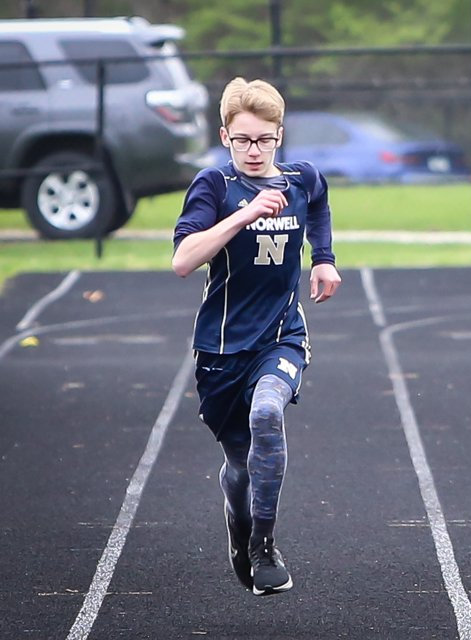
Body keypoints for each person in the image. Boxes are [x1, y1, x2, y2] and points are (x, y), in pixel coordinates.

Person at [172, 77, 341, 595]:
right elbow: (183, 260)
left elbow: (318, 205)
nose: (254, 150)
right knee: (240, 466)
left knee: (268, 412)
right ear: (225, 137)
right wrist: (245, 214)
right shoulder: (214, 186)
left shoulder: (301, 177)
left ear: (280, 135)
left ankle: (265, 544)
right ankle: (240, 527)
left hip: (281, 336)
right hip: (222, 349)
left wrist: (325, 260)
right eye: (243, 140)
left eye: (265, 140)